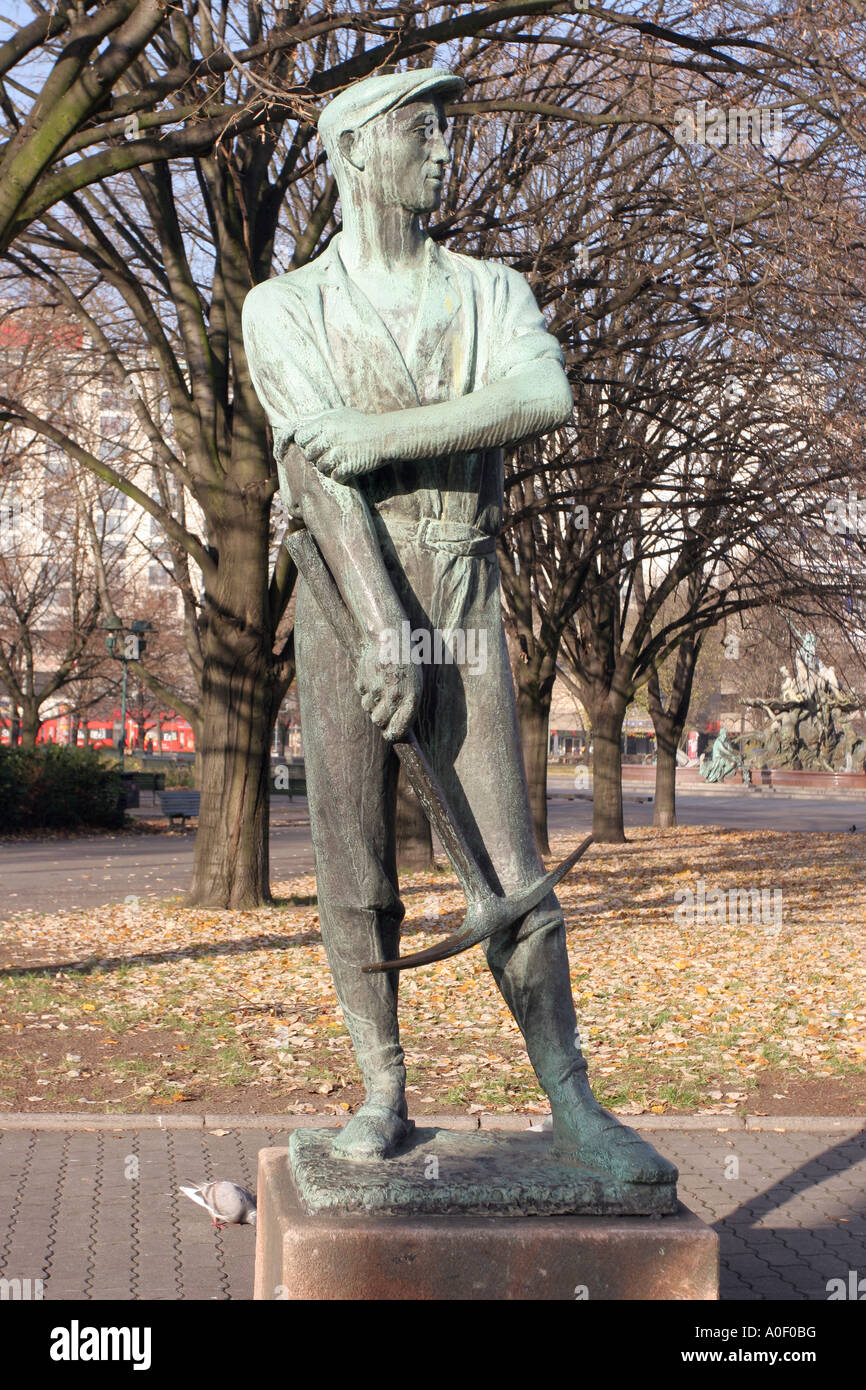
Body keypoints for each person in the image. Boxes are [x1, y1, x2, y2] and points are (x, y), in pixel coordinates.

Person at [243, 68, 674, 1186]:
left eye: (448, 134)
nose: (445, 153)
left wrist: (378, 436)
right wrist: (383, 622)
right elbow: (309, 467)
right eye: (422, 134)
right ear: (354, 153)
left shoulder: (488, 291)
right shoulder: (283, 307)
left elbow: (539, 396)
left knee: (509, 866)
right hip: (347, 597)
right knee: (355, 858)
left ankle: (572, 1102)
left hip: (463, 582)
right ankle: (380, 1085)